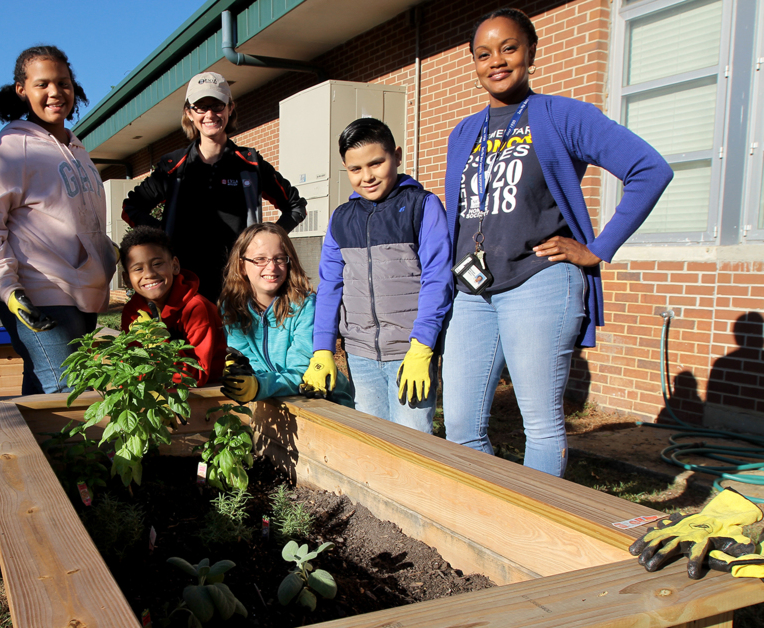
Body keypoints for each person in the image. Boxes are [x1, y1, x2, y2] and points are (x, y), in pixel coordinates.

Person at [442, 8, 672, 476]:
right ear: (473, 62)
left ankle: (533, 532)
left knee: (541, 426)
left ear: (530, 51)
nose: (497, 61)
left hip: (539, 283)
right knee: (461, 427)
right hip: (473, 292)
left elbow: (649, 170)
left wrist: (596, 248)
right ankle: (498, 516)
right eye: (484, 54)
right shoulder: (465, 132)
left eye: (509, 48)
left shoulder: (563, 115)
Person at [0, 46, 116, 395]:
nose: (55, 93)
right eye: (42, 84)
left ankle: (29, 451)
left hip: (82, 294)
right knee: (67, 394)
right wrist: (10, 290)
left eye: (63, 83)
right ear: (22, 89)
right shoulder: (9, 147)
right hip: (38, 291)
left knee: (45, 387)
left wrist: (107, 252)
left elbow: (71, 219)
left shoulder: (77, 148)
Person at [302, 118, 453, 432]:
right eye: (355, 169)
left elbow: (437, 278)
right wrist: (323, 348)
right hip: (360, 354)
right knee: (371, 439)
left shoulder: (422, 206)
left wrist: (423, 345)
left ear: (396, 156)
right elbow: (330, 286)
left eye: (376, 163)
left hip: (408, 354)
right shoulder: (341, 219)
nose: (367, 176)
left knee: (412, 441)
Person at [121, 71, 307, 302]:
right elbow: (130, 207)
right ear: (189, 113)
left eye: (217, 105)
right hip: (184, 287)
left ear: (230, 108)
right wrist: (163, 237)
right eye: (201, 107)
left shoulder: (250, 164)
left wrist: (267, 244)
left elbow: (296, 207)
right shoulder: (173, 167)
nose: (210, 114)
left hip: (238, 288)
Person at [218, 223, 353, 407]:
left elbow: (300, 372)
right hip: (277, 400)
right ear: (242, 266)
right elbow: (248, 363)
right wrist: (243, 376)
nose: (271, 267)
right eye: (260, 259)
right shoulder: (232, 309)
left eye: (279, 259)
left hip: (327, 404)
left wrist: (258, 385)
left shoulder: (306, 306)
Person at [119, 226, 225, 386]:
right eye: (138, 269)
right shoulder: (133, 311)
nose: (149, 274)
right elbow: (132, 366)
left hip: (211, 393)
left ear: (175, 265)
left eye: (157, 264)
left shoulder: (197, 308)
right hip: (160, 389)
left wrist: (154, 341)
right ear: (127, 279)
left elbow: (196, 376)